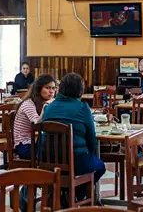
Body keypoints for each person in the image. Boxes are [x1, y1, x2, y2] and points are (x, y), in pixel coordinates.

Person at [41, 72, 106, 203]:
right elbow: (92, 138)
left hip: (46, 160)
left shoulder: (48, 107)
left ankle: (62, 195)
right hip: (76, 160)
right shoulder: (83, 108)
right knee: (100, 166)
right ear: (80, 90)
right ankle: (76, 195)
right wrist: (91, 153)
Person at [13, 74, 56, 160]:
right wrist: (46, 108)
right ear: (38, 89)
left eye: (53, 88)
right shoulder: (29, 103)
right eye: (47, 88)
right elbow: (37, 125)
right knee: (56, 152)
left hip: (35, 141)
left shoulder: (42, 103)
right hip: (25, 146)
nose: (51, 91)